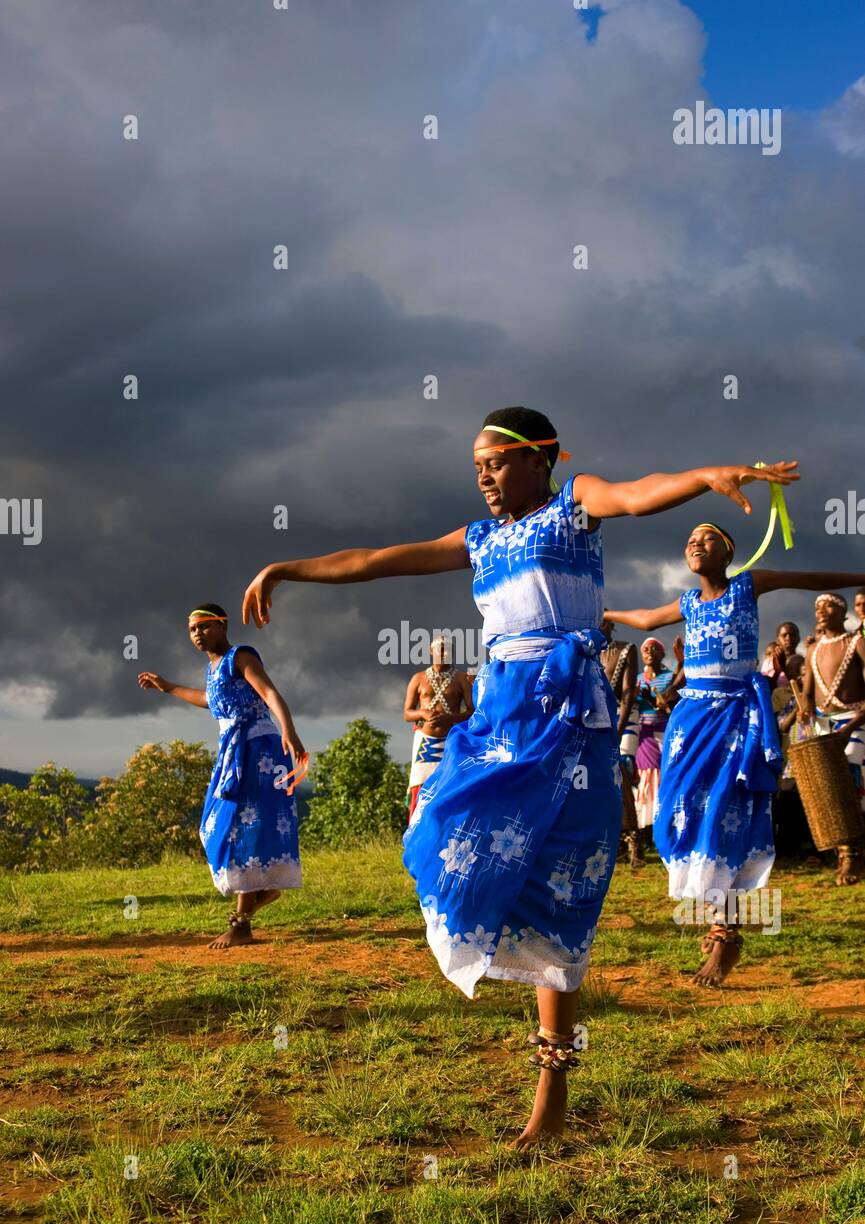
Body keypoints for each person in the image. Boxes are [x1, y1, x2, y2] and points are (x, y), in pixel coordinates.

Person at [242, 404, 797, 1143]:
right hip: (501, 719)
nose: (484, 476)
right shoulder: (478, 539)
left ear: (543, 459)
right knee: (447, 833)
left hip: (568, 723)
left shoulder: (574, 506)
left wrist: (705, 476)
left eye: (496, 462)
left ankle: (551, 1087)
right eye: (476, 466)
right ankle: (497, 953)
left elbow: (636, 494)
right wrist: (288, 567)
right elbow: (376, 559)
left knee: (561, 888)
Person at [605, 525, 865, 986]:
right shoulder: (687, 602)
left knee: (724, 815)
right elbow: (645, 618)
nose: (695, 543)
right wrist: (600, 611)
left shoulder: (748, 584)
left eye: (707, 538)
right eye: (688, 539)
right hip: (690, 722)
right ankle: (716, 917)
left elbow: (808, 578)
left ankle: (724, 931)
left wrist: (856, 574)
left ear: (729, 552)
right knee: (678, 817)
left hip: (735, 719)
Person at [138, 605, 306, 948]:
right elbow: (208, 700)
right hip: (232, 752)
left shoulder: (240, 657)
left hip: (257, 749)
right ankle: (262, 890)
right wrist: (168, 687)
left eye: (204, 626)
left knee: (242, 826)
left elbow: (269, 693)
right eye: (192, 629)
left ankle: (242, 922)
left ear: (222, 625)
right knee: (215, 826)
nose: (198, 633)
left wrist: (288, 731)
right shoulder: (213, 669)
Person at [799, 592, 865, 883]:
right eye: (817, 607)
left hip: (854, 721)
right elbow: (807, 692)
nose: (821, 611)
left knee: (851, 779)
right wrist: (804, 710)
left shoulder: (856, 642)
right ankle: (844, 853)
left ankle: (853, 855)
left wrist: (848, 729)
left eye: (828, 605)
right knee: (829, 788)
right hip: (824, 725)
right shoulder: (813, 650)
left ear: (842, 611)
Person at [403, 636, 474, 820]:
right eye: (441, 649)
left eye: (448, 649)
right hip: (424, 743)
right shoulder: (418, 679)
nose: (445, 653)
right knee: (420, 787)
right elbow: (407, 713)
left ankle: (444, 835)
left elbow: (472, 712)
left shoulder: (461, 679)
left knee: (449, 785)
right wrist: (423, 714)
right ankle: (416, 835)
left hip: (450, 741)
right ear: (430, 651)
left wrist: (449, 718)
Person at [600, 619, 640, 865]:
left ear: (610, 624)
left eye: (603, 622)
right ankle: (615, 844)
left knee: (621, 775)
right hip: (593, 721)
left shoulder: (626, 649)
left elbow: (627, 695)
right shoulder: (587, 652)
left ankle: (633, 841)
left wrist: (618, 730)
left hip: (619, 721)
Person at [634, 637, 676, 836]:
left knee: (662, 774)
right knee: (645, 775)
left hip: (664, 731)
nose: (649, 651)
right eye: (645, 649)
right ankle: (646, 824)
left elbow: (671, 706)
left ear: (662, 653)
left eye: (654, 649)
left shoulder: (670, 678)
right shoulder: (636, 679)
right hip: (643, 733)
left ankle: (663, 821)